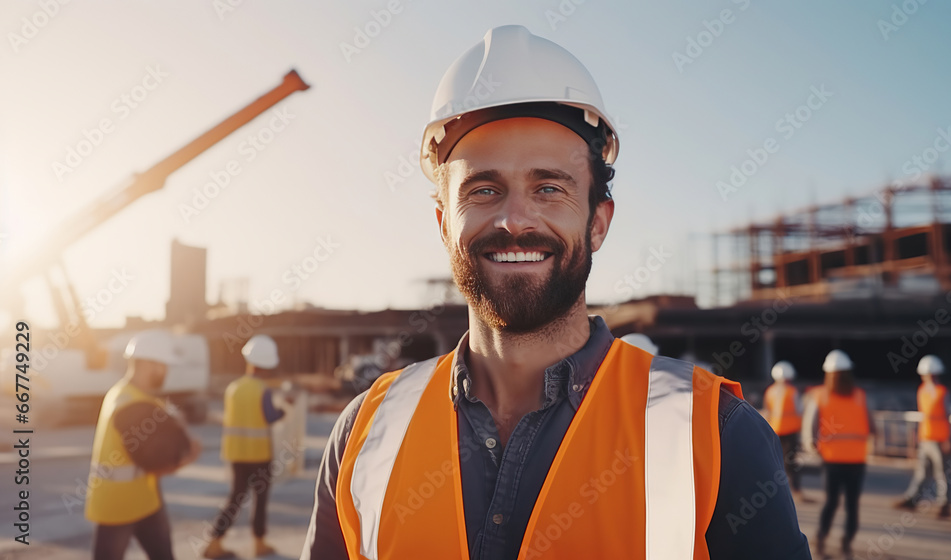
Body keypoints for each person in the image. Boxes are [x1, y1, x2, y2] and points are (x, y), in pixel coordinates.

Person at [301, 25, 809, 560]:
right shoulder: (365, 431)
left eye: (549, 188)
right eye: (483, 189)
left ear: (598, 223)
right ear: (443, 223)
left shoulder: (717, 436)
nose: (514, 220)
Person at [85, 330, 201, 560]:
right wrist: (190, 453)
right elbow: (157, 462)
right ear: (149, 364)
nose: (166, 371)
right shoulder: (133, 407)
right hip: (119, 507)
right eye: (164, 365)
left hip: (144, 502)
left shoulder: (123, 393)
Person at [203, 334, 287, 558]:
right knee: (260, 500)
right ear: (268, 365)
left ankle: (214, 541)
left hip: (236, 455)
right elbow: (269, 417)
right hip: (259, 455)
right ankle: (259, 543)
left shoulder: (234, 388)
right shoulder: (262, 390)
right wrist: (283, 411)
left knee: (235, 499)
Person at [803, 350, 871, 559]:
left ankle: (821, 540)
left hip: (832, 459)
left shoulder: (820, 395)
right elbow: (872, 424)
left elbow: (810, 426)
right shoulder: (859, 395)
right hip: (856, 459)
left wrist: (811, 445)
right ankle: (845, 544)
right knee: (852, 504)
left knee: (831, 502)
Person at [894, 354, 951, 517]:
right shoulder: (922, 391)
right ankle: (912, 498)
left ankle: (944, 503)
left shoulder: (942, 392)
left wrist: (948, 439)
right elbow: (923, 416)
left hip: (940, 438)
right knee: (922, 471)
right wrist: (917, 437)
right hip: (925, 437)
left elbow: (947, 415)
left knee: (941, 473)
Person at [763, 360, 810, 502]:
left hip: (774, 431)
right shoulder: (792, 391)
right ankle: (795, 490)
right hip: (790, 432)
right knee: (790, 463)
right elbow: (800, 410)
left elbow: (767, 411)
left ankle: (775, 493)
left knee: (777, 462)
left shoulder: (770, 391)